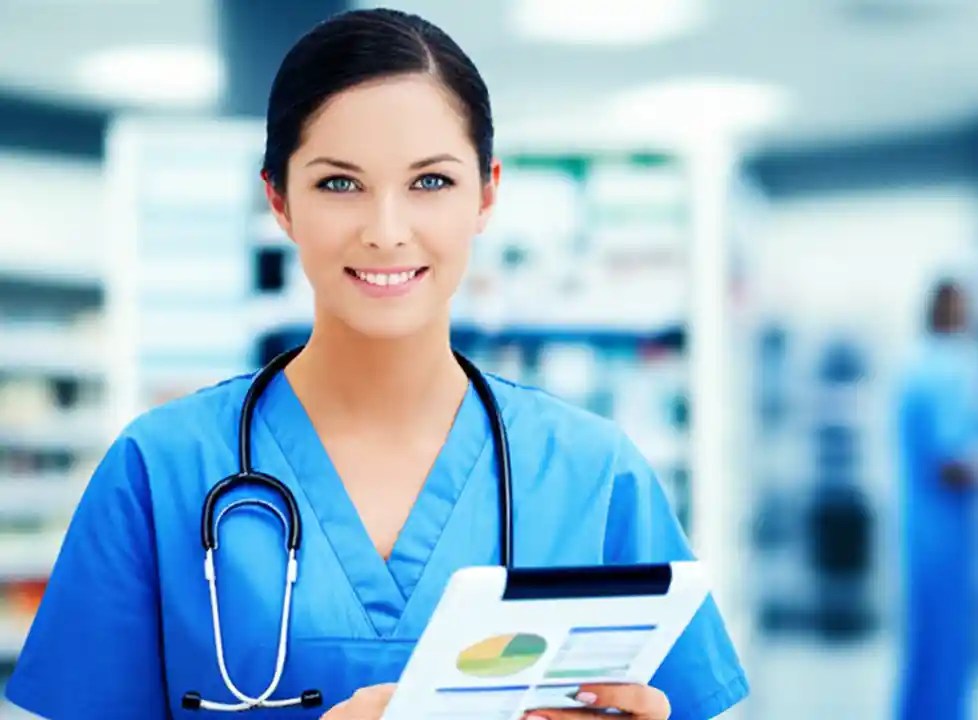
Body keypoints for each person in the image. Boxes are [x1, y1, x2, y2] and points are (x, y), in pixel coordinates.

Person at [3, 9, 748, 720]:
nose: (386, 231)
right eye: (338, 183)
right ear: (279, 201)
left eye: (430, 182)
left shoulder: (593, 475)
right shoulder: (159, 471)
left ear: (487, 194)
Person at [894, 279, 978, 720]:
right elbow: (951, 465)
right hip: (944, 535)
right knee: (947, 647)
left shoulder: (916, 365)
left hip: (921, 530)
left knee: (924, 646)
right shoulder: (949, 370)